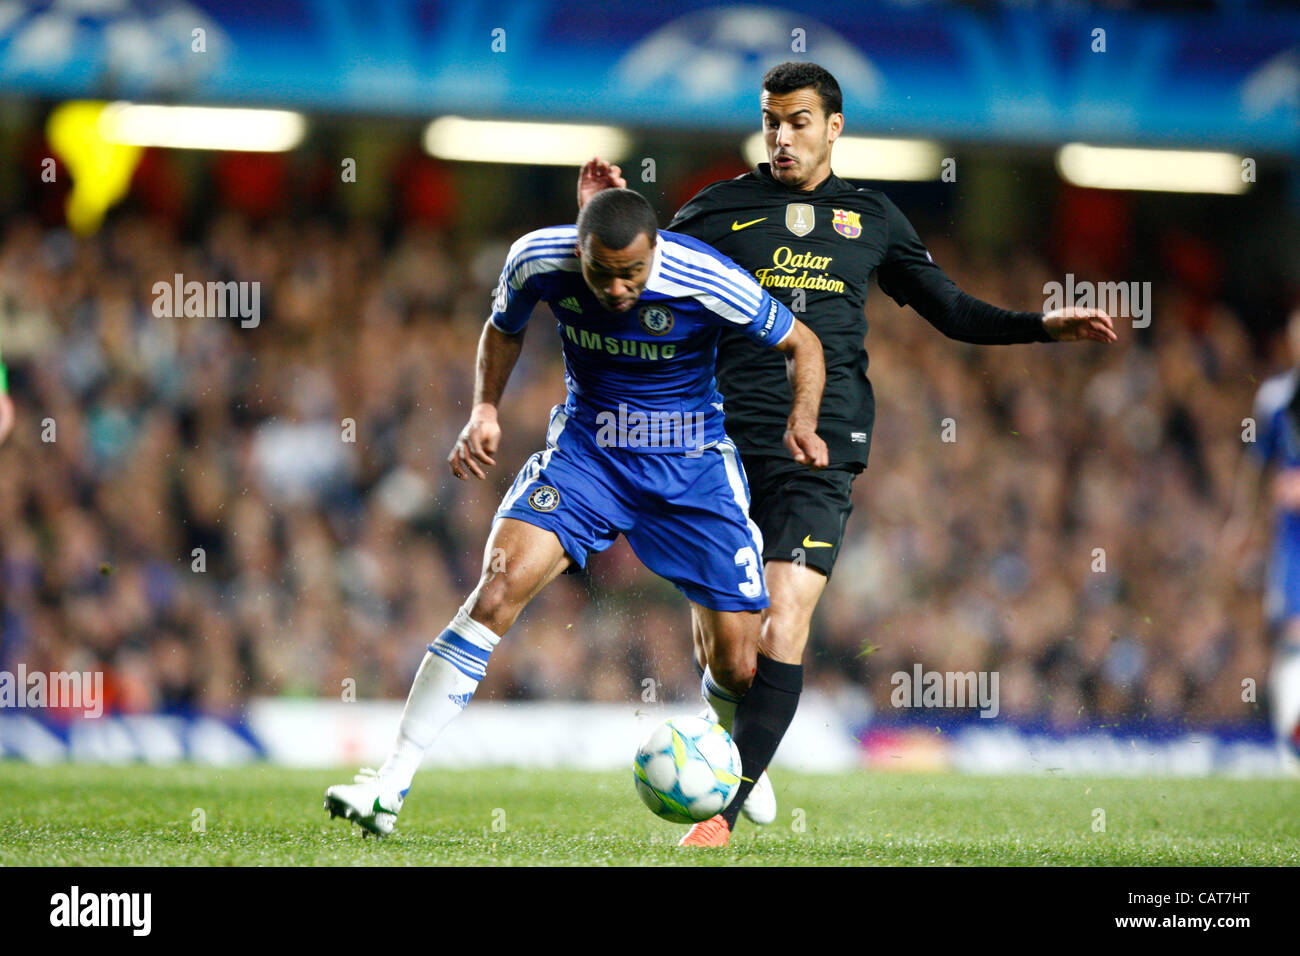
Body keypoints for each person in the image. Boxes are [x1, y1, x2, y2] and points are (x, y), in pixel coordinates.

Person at [579, 61, 1117, 846]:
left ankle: (723, 811)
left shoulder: (872, 218)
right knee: (730, 652)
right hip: (717, 444)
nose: (782, 135)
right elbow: (635, 274)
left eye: (799, 121)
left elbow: (953, 311)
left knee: (783, 622)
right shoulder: (720, 210)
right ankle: (734, 751)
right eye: (771, 120)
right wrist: (599, 212)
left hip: (821, 446)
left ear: (834, 127)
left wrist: (1041, 326)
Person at [324, 187, 827, 837]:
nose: (617, 290)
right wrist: (484, 410)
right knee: (496, 589)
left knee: (738, 661)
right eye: (601, 273)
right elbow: (503, 328)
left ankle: (727, 758)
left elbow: (803, 343)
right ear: (579, 251)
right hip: (589, 457)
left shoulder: (705, 275)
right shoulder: (537, 259)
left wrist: (804, 421)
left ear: (657, 251)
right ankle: (388, 783)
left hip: (692, 471)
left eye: (632, 274)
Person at [1222, 301, 1300, 770]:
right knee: (1292, 633)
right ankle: (1291, 744)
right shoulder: (1274, 399)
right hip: (1292, 542)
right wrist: (1242, 521)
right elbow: (1255, 466)